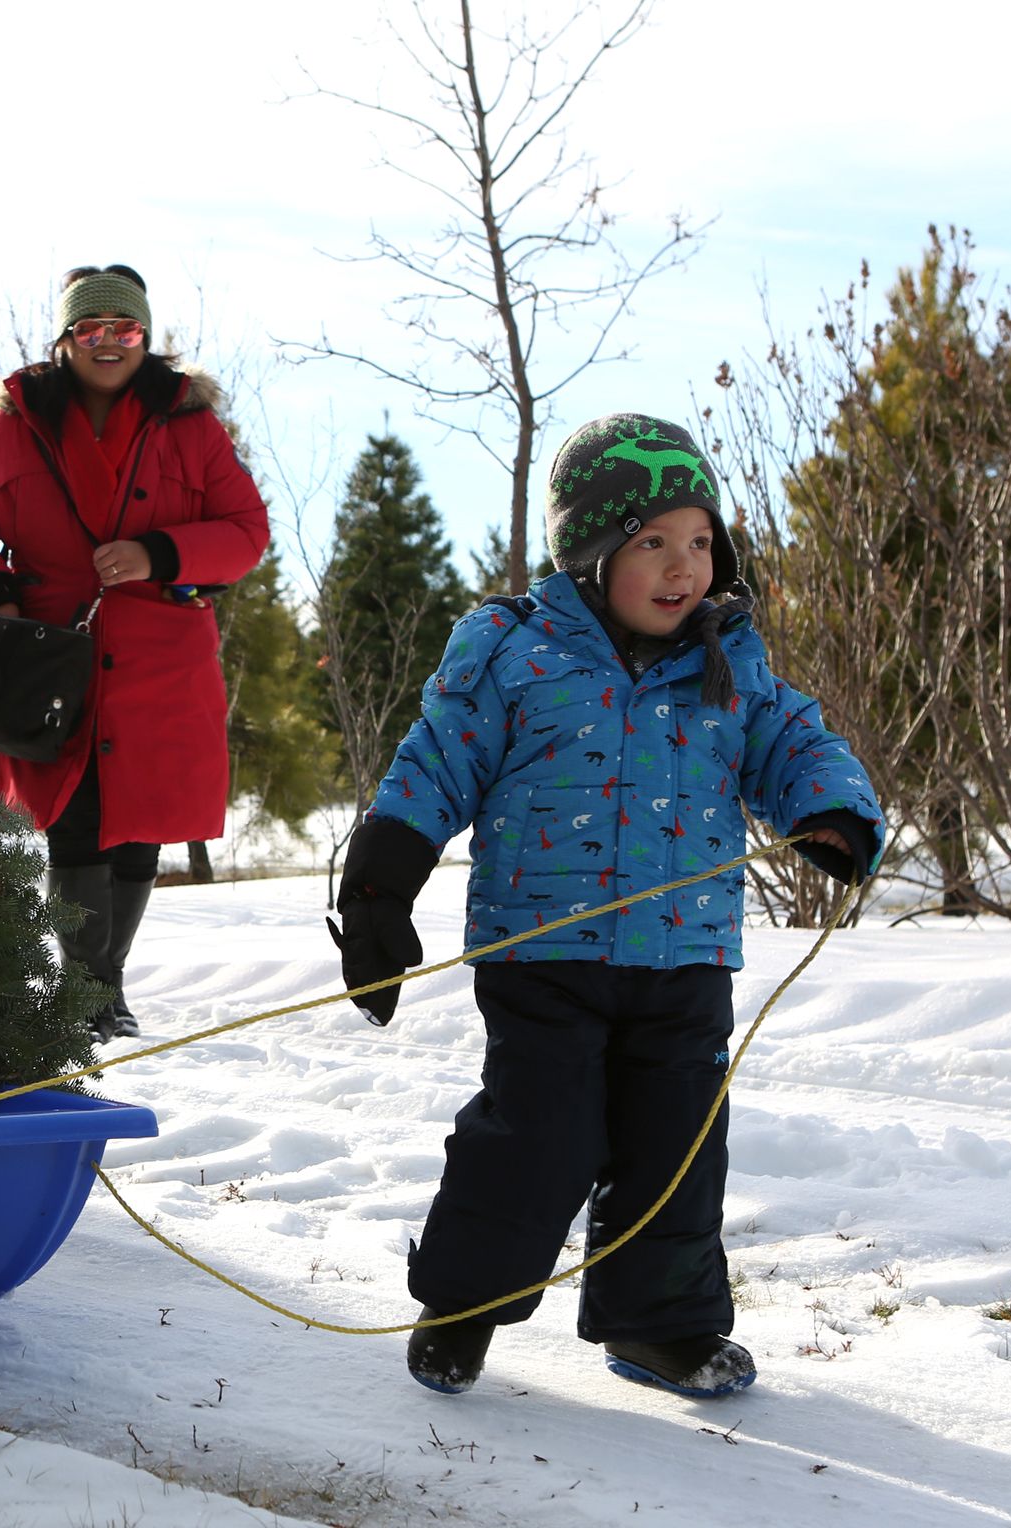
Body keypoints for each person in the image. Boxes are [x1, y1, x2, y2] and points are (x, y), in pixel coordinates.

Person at [331, 413, 884, 1400]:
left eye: (699, 541)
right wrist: (379, 879)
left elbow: (788, 740)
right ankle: (461, 1304)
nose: (683, 568)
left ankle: (658, 1325)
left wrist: (830, 809)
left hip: (683, 958)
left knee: (671, 1149)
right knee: (537, 1140)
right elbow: (436, 761)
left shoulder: (727, 657)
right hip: (544, 956)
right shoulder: (511, 649)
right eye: (651, 543)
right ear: (590, 553)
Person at [0, 265, 269, 1042]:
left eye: (126, 328)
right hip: (50, 657)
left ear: (145, 338)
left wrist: (157, 552)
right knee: (72, 816)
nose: (108, 342)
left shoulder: (190, 424)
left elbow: (246, 531)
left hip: (161, 658)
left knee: (141, 821)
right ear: (66, 338)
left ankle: (102, 983)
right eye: (91, 328)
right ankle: (83, 988)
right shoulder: (16, 423)